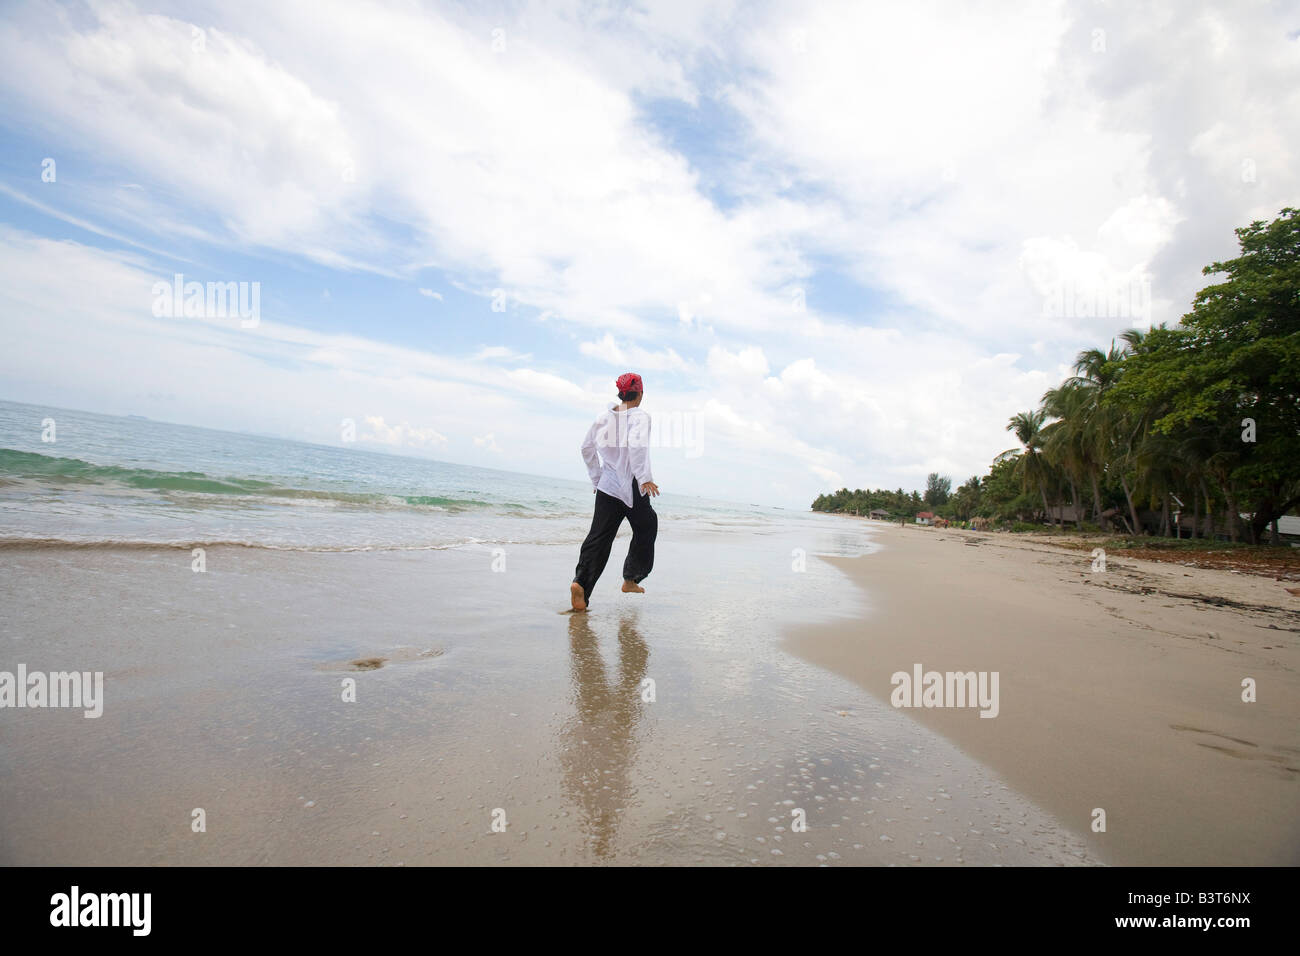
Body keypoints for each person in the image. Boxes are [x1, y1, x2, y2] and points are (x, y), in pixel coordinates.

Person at [570, 372, 659, 611]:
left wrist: (597, 478)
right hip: (631, 482)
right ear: (640, 393)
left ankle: (580, 584)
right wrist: (645, 478)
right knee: (647, 525)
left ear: (620, 394)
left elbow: (586, 448)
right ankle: (630, 579)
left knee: (599, 537)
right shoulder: (640, 416)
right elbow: (637, 447)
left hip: (607, 485)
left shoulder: (602, 418)